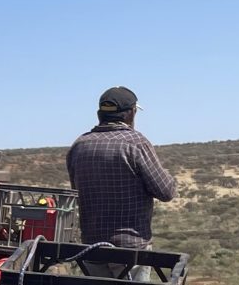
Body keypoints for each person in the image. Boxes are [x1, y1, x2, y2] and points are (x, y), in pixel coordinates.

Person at [65, 86, 175, 251]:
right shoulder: (135, 142)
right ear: (131, 113)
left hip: (92, 247)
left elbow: (77, 191)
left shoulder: (79, 145)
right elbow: (166, 192)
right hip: (131, 247)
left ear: (99, 114)